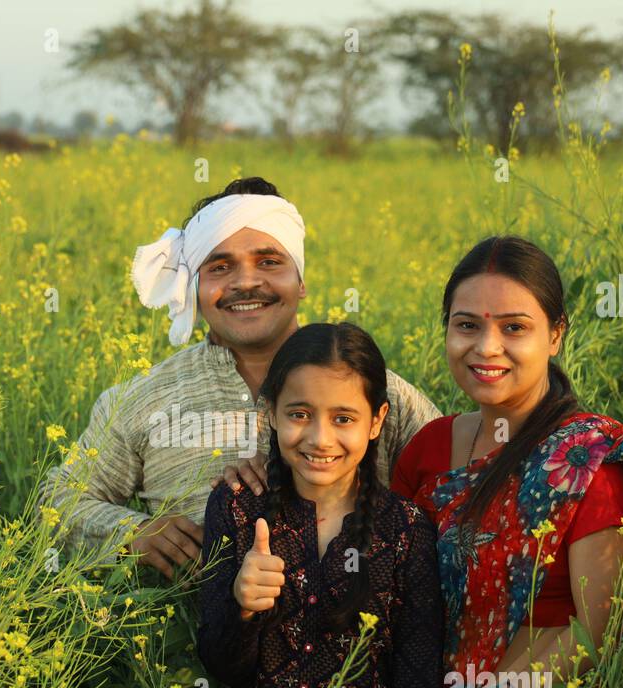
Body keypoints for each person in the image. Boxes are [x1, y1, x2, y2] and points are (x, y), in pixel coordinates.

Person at [384, 235, 623, 688]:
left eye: (515, 327)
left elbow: (596, 628)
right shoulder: (428, 449)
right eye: (466, 326)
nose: (486, 348)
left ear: (557, 334)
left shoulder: (594, 459)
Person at [38, 177, 442, 577]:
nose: (246, 282)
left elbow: (463, 488)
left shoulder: (372, 389)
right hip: (186, 638)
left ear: (300, 281)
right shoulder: (143, 399)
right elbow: (57, 503)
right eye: (220, 266)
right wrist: (133, 533)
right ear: (195, 287)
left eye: (269, 262)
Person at [198, 322, 445, 688]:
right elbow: (220, 664)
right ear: (270, 413)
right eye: (300, 414)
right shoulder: (237, 509)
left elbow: (416, 684)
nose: (320, 439)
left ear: (378, 420)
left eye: (344, 418)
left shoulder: (406, 530)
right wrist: (243, 606)